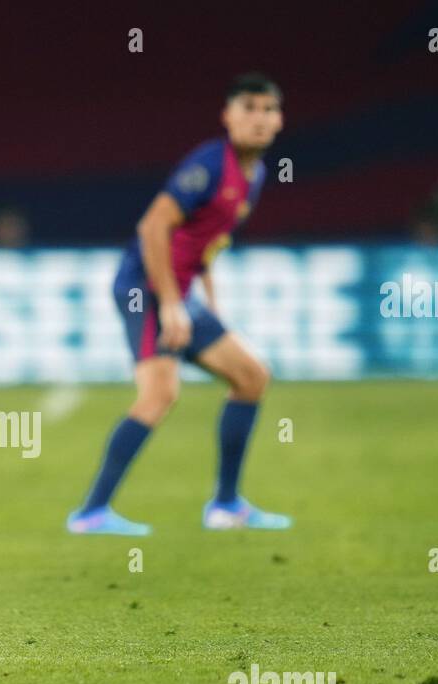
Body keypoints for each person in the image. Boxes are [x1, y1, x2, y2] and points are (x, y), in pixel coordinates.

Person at [68, 73, 291, 535]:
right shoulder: (209, 164)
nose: (258, 118)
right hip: (145, 286)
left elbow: (203, 240)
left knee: (251, 377)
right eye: (247, 107)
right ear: (227, 116)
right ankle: (91, 513)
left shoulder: (255, 176)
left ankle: (226, 506)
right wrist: (171, 303)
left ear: (279, 121)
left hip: (179, 292)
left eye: (267, 109)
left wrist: (207, 300)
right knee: (159, 395)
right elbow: (154, 228)